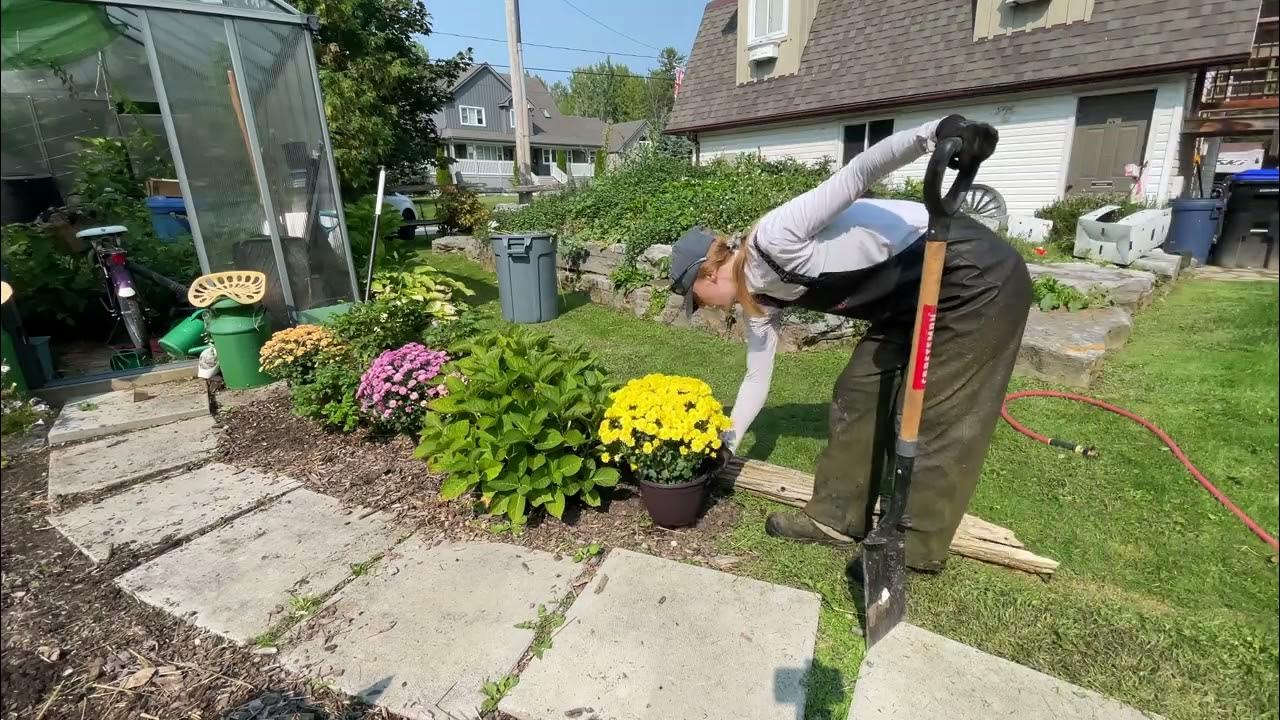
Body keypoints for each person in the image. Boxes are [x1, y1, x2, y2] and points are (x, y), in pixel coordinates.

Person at [668, 115, 1031, 573]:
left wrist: (934, 134)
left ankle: (911, 550)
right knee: (858, 390)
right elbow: (757, 378)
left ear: (709, 272)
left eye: (696, 300)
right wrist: (727, 443)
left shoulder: (776, 237)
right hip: (907, 300)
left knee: (939, 414)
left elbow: (860, 173)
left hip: (973, 276)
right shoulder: (758, 300)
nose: (703, 309)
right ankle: (837, 517)